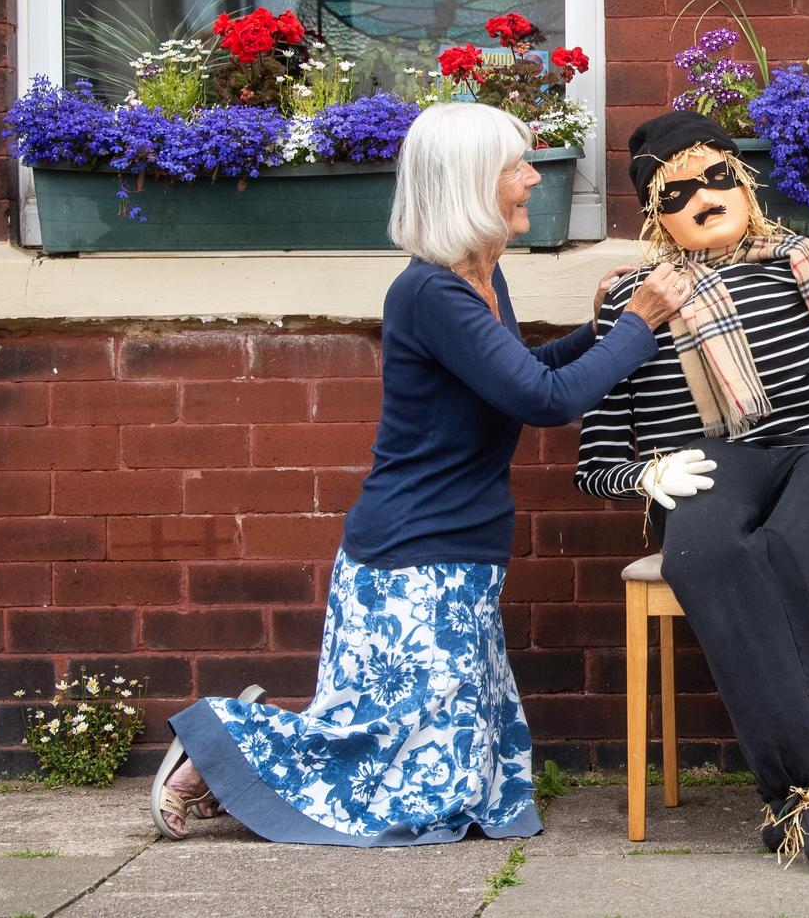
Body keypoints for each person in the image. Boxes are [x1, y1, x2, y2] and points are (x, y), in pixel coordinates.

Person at [150, 102, 698, 846]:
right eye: (516, 166)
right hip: (413, 556)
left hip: (459, 549)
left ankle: (239, 752)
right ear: (472, 184)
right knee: (389, 770)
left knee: (437, 780)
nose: (533, 178)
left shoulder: (481, 281)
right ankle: (220, 748)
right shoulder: (430, 292)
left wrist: (603, 328)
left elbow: (519, 375)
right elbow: (546, 401)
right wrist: (638, 324)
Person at [575, 110, 809, 870]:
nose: (702, 197)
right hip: (709, 462)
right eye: (676, 192)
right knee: (705, 553)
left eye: (716, 176)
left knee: (781, 547)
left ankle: (793, 793)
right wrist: (645, 475)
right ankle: (803, 790)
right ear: (654, 215)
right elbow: (596, 458)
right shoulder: (634, 301)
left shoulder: (805, 265)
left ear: (742, 179)